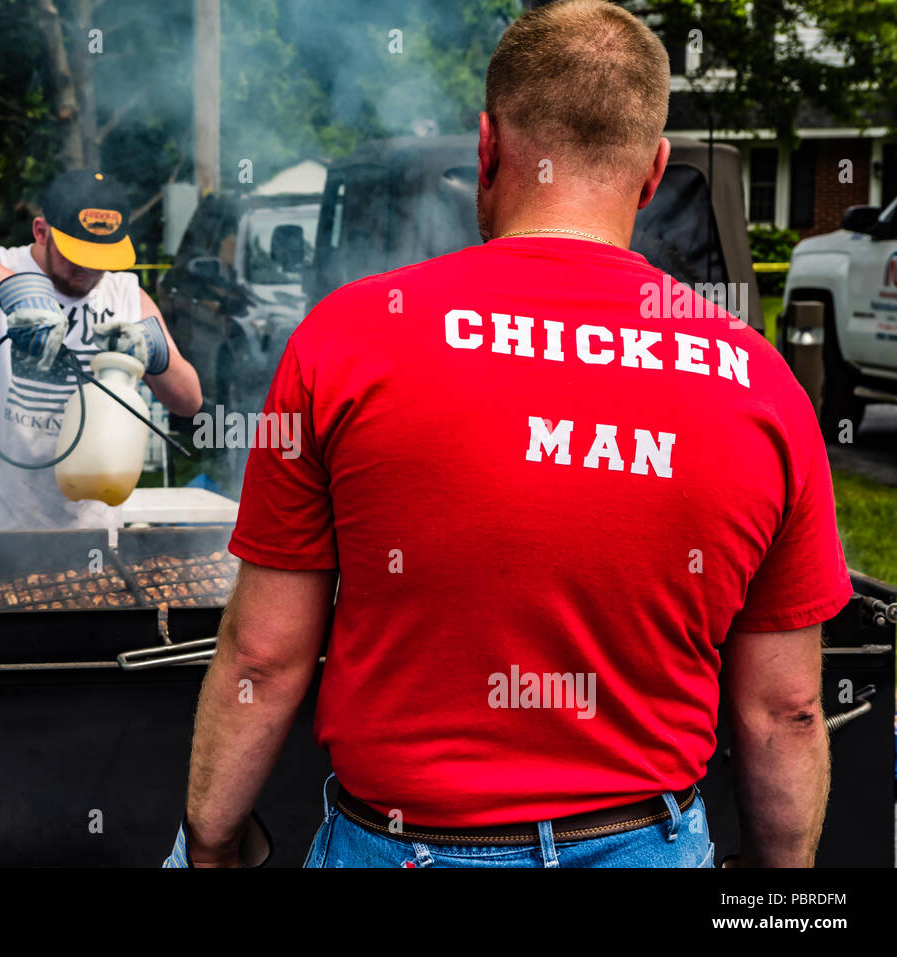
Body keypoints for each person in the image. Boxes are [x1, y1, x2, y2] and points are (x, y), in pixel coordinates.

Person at [162, 0, 851, 868]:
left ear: (486, 146)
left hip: (401, 845)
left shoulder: (347, 339)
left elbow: (263, 654)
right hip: (649, 842)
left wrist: (212, 842)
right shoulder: (760, 381)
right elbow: (784, 710)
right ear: (653, 171)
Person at [0, 170, 201, 530]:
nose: (90, 268)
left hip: (85, 524)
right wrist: (12, 289)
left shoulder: (126, 295)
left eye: (101, 256)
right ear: (41, 231)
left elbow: (189, 401)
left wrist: (157, 356)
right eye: (77, 255)